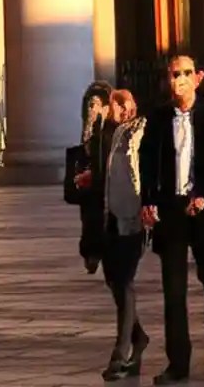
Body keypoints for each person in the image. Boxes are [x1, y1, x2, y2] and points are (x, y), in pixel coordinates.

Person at [139, 55, 204, 385]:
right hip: (171, 210)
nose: (179, 79)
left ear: (197, 78)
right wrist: (148, 201)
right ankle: (177, 361)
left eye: (185, 73)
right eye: (174, 74)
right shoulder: (158, 117)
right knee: (173, 289)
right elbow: (147, 162)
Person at [99, 90, 150, 381]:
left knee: (124, 280)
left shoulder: (139, 130)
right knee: (114, 281)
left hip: (132, 217)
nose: (120, 108)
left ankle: (121, 353)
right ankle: (138, 336)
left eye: (125, 102)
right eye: (114, 104)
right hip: (108, 219)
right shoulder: (104, 136)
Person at [74, 81, 113, 275]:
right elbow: (86, 147)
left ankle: (99, 251)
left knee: (101, 218)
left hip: (105, 179)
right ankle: (91, 252)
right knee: (89, 218)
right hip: (90, 180)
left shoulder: (109, 127)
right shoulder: (89, 126)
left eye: (96, 103)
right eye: (90, 104)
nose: (93, 108)